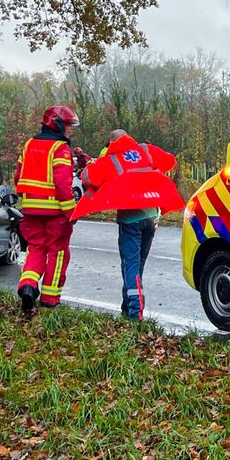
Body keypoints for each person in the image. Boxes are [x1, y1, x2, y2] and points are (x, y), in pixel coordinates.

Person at [73, 129, 183, 321]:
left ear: (112, 143)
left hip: (130, 219)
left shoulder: (112, 160)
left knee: (130, 265)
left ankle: (135, 312)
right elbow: (170, 160)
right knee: (138, 265)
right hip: (151, 216)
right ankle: (127, 306)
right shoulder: (145, 150)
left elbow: (87, 178)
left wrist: (99, 164)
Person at [13, 105, 79, 318]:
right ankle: (50, 300)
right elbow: (62, 184)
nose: (70, 130)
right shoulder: (60, 148)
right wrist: (71, 213)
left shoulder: (29, 144)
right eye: (68, 125)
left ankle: (28, 286)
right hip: (55, 213)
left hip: (30, 210)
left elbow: (17, 176)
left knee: (35, 249)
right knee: (58, 254)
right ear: (58, 124)